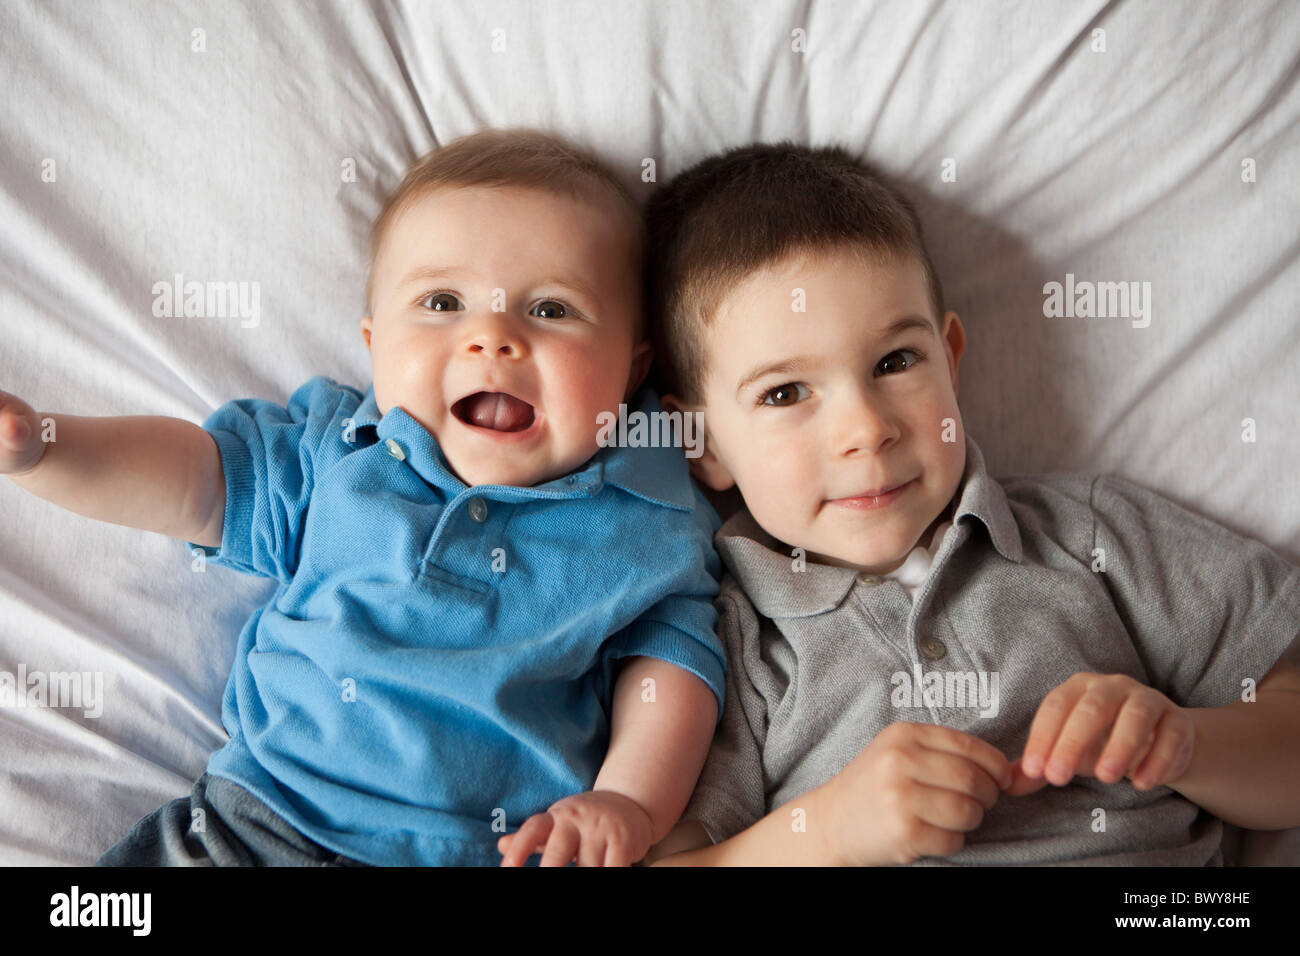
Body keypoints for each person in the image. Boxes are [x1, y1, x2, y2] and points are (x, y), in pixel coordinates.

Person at [0, 129, 726, 867]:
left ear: (633, 367)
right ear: (375, 345)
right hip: (259, 825)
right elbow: (193, 479)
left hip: (488, 851)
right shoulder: (343, 450)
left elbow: (674, 674)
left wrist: (629, 801)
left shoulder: (649, 517)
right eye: (443, 302)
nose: (492, 337)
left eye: (552, 310)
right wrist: (48, 448)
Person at [639, 142, 1300, 866]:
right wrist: (822, 833)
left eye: (895, 362)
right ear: (697, 439)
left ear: (950, 361)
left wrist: (1184, 744)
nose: (866, 429)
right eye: (785, 393)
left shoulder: (1092, 533)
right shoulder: (721, 645)